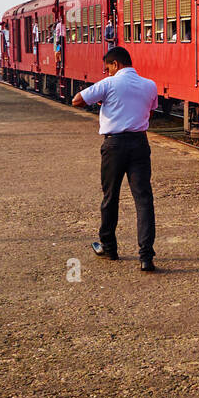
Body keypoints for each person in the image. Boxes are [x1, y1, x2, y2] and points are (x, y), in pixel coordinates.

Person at [73, 46, 159, 272]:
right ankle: (146, 257)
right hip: (140, 144)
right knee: (143, 200)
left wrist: (104, 102)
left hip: (115, 145)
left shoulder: (109, 83)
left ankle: (109, 247)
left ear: (116, 65)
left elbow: (77, 100)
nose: (106, 72)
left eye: (107, 68)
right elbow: (148, 112)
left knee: (111, 197)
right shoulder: (150, 85)